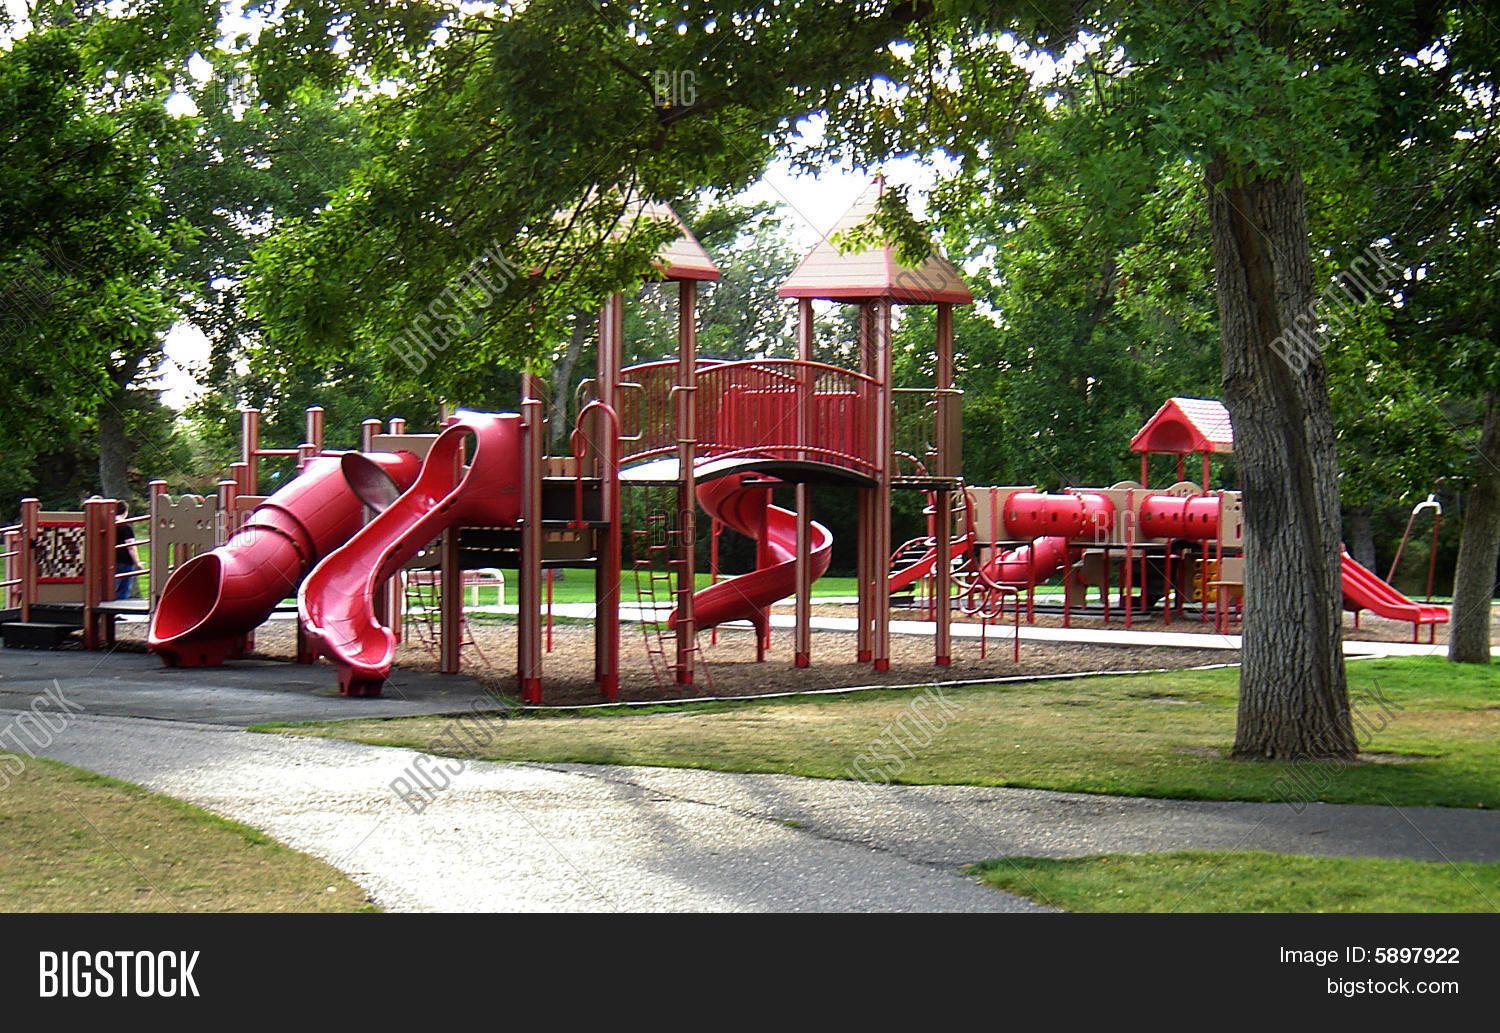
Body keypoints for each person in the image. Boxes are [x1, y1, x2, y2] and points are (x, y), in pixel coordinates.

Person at [115, 500, 140, 601]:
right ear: (125, 512)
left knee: (113, 586)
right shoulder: (125, 527)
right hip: (125, 560)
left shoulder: (108, 525)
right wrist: (137, 562)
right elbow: (130, 546)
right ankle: (118, 610)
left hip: (112, 559)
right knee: (123, 587)